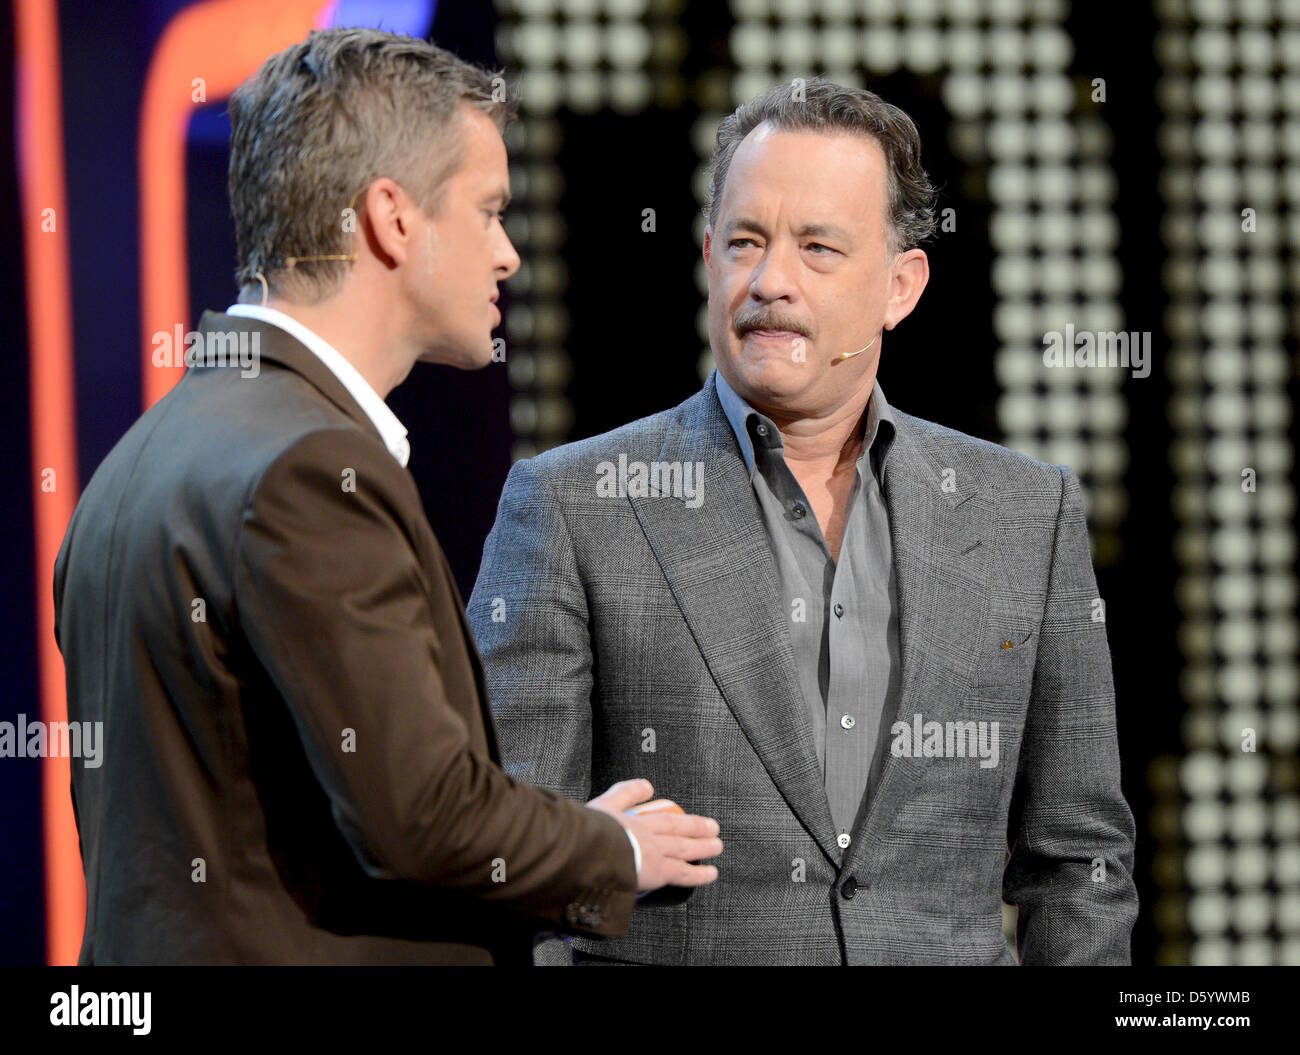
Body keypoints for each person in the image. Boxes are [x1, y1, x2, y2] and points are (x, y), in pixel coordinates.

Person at [52, 27, 720, 966]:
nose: (508, 256)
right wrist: (609, 849)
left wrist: (554, 832)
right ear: (392, 219)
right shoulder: (310, 469)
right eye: (489, 212)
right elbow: (420, 814)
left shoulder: (138, 462)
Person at [469, 78, 1138, 965]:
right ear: (709, 256)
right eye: (745, 241)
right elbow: (498, 855)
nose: (770, 281)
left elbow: (1080, 860)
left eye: (819, 248)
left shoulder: (1027, 513)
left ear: (902, 285)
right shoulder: (573, 506)